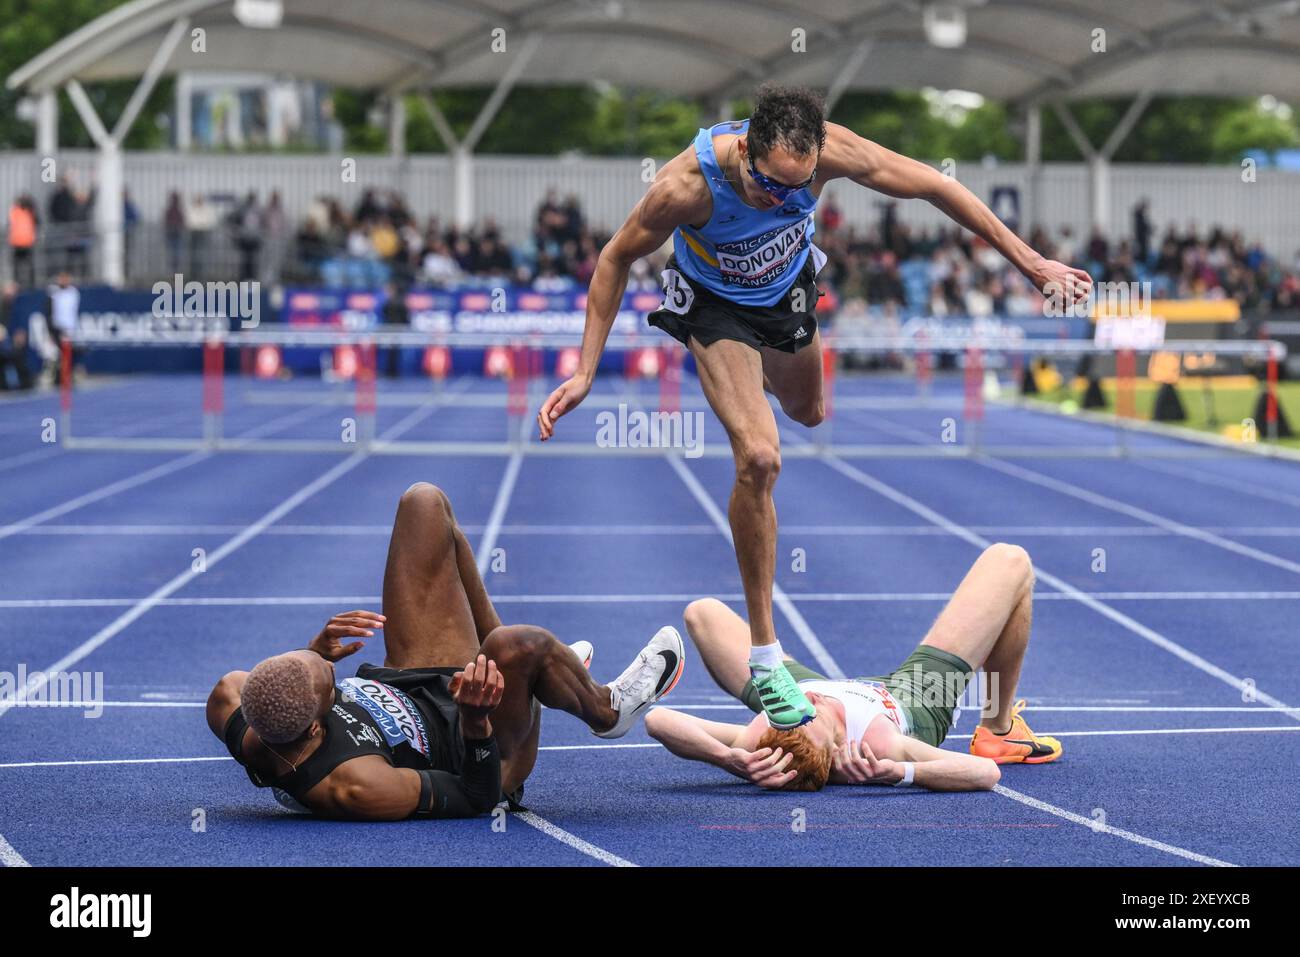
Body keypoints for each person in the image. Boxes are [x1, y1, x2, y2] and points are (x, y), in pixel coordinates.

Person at [538, 83, 1092, 731]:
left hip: (788, 292)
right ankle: (768, 657)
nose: (785, 198)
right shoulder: (685, 187)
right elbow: (614, 259)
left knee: (810, 412)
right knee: (761, 457)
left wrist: (1031, 264)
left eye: (798, 189)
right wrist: (584, 370)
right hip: (716, 307)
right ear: (745, 149)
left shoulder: (828, 155)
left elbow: (937, 187)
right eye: (772, 186)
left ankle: (759, 383)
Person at [206, 482, 685, 820]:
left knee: (424, 503)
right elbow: (477, 798)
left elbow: (281, 684)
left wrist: (315, 653)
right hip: (470, 750)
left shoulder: (233, 696)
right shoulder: (358, 785)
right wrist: (477, 724)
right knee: (517, 645)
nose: (328, 666)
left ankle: (531, 684)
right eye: (328, 679)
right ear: (314, 725)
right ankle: (605, 710)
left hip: (408, 683)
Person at [645, 543, 1061, 792]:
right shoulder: (876, 747)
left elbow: (659, 720)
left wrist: (727, 758)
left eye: (790, 710)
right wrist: (902, 772)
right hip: (910, 697)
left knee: (703, 614)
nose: (804, 701)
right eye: (809, 713)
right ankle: (998, 729)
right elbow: (983, 774)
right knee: (1011, 561)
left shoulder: (769, 734)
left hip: (823, 689)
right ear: (834, 746)